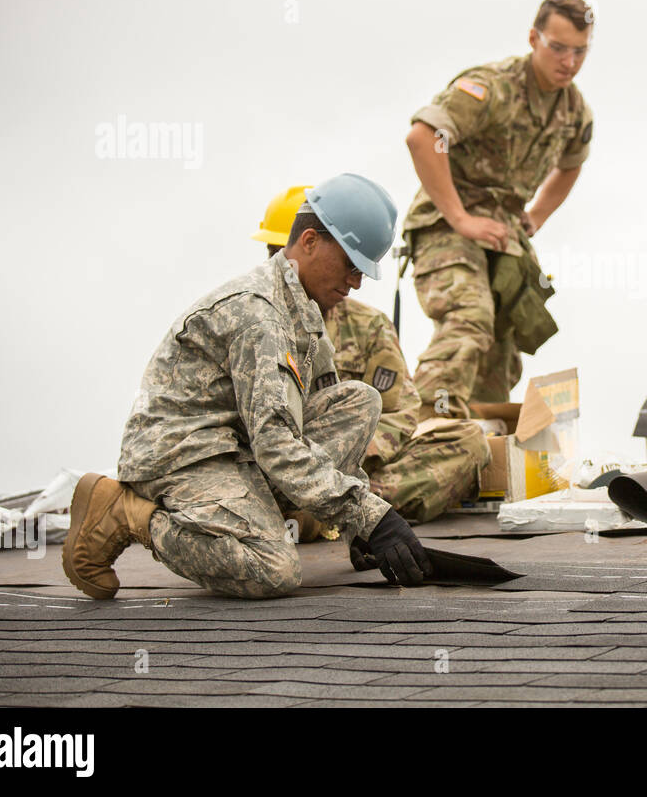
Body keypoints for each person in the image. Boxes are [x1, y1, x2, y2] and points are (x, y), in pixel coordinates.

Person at [63, 174, 433, 600]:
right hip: (183, 456)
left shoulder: (305, 312)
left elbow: (312, 430)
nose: (356, 282)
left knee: (360, 401)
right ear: (310, 241)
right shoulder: (260, 315)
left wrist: (358, 526)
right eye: (352, 265)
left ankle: (249, 516)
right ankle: (125, 512)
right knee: (273, 569)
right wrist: (372, 515)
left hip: (236, 449)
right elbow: (276, 444)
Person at [404, 0, 595, 419]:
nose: (569, 62)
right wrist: (460, 218)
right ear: (533, 38)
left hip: (503, 238)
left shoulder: (574, 112)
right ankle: (423, 429)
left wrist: (537, 215)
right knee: (468, 318)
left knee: (498, 350)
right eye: (558, 48)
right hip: (445, 225)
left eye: (580, 51)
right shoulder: (492, 87)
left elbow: (571, 164)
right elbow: (423, 137)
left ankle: (472, 448)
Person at [252, 185, 490, 526]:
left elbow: (401, 411)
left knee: (467, 441)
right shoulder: (251, 316)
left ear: (311, 244)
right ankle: (331, 510)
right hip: (274, 470)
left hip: (354, 466)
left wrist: (358, 448)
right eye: (276, 252)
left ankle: (337, 509)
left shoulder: (368, 326)